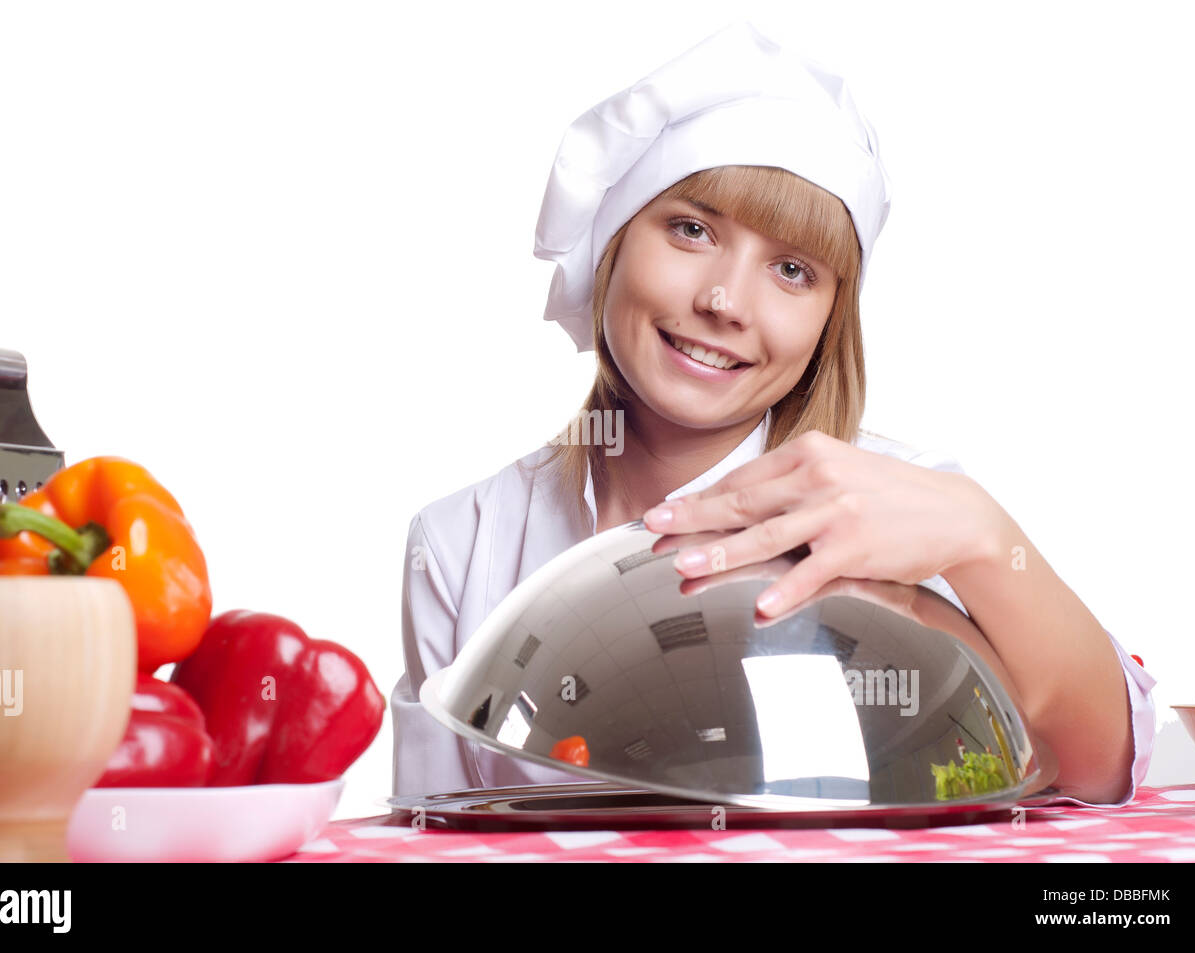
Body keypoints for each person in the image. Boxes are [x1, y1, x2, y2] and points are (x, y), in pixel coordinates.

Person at [390, 20, 1155, 807]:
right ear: (611, 241)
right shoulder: (461, 543)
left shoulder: (901, 503)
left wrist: (986, 536)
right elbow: (439, 833)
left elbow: (1097, 765)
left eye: (792, 269)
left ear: (831, 316)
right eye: (691, 229)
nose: (725, 301)